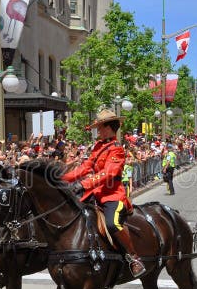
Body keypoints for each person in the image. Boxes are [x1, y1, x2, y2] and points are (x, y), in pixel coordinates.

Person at [62, 109, 145, 277]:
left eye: (100, 127)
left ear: (109, 128)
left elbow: (108, 173)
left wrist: (85, 184)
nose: (98, 130)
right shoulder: (99, 147)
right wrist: (63, 178)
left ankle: (134, 258)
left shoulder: (116, 149)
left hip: (112, 195)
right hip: (94, 193)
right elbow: (85, 167)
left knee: (112, 224)